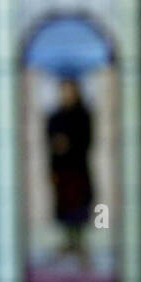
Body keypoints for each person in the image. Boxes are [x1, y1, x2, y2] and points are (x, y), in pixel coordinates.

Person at [47, 77, 94, 261]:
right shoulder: (54, 117)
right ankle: (69, 241)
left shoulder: (83, 115)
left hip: (78, 168)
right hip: (61, 169)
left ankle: (79, 242)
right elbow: (49, 143)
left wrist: (69, 144)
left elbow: (88, 142)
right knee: (64, 206)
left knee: (80, 205)